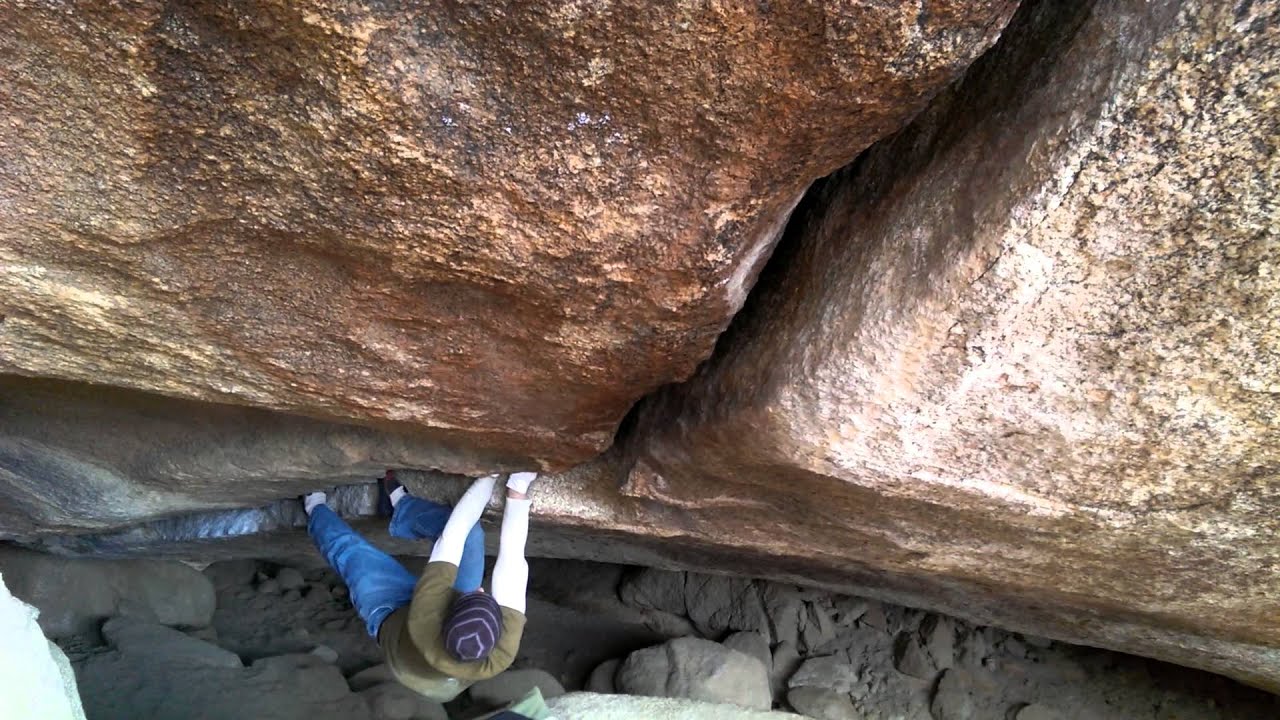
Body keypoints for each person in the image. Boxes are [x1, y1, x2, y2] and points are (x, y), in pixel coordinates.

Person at [302, 470, 537, 702]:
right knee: (472, 535)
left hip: (391, 614)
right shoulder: (502, 651)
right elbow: (513, 556)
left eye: (474, 595)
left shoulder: (426, 618)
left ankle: (314, 508)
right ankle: (403, 508)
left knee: (351, 553)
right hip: (435, 641)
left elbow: (452, 536)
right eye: (484, 595)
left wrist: (488, 476)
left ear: (447, 611)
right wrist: (517, 489)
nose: (480, 589)